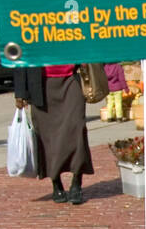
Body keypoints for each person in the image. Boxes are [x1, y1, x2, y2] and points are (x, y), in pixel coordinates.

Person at [13, 63, 93, 204]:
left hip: (71, 79)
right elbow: (22, 53)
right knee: (47, 136)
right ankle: (56, 183)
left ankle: (77, 183)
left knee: (77, 128)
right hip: (40, 85)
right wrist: (20, 92)